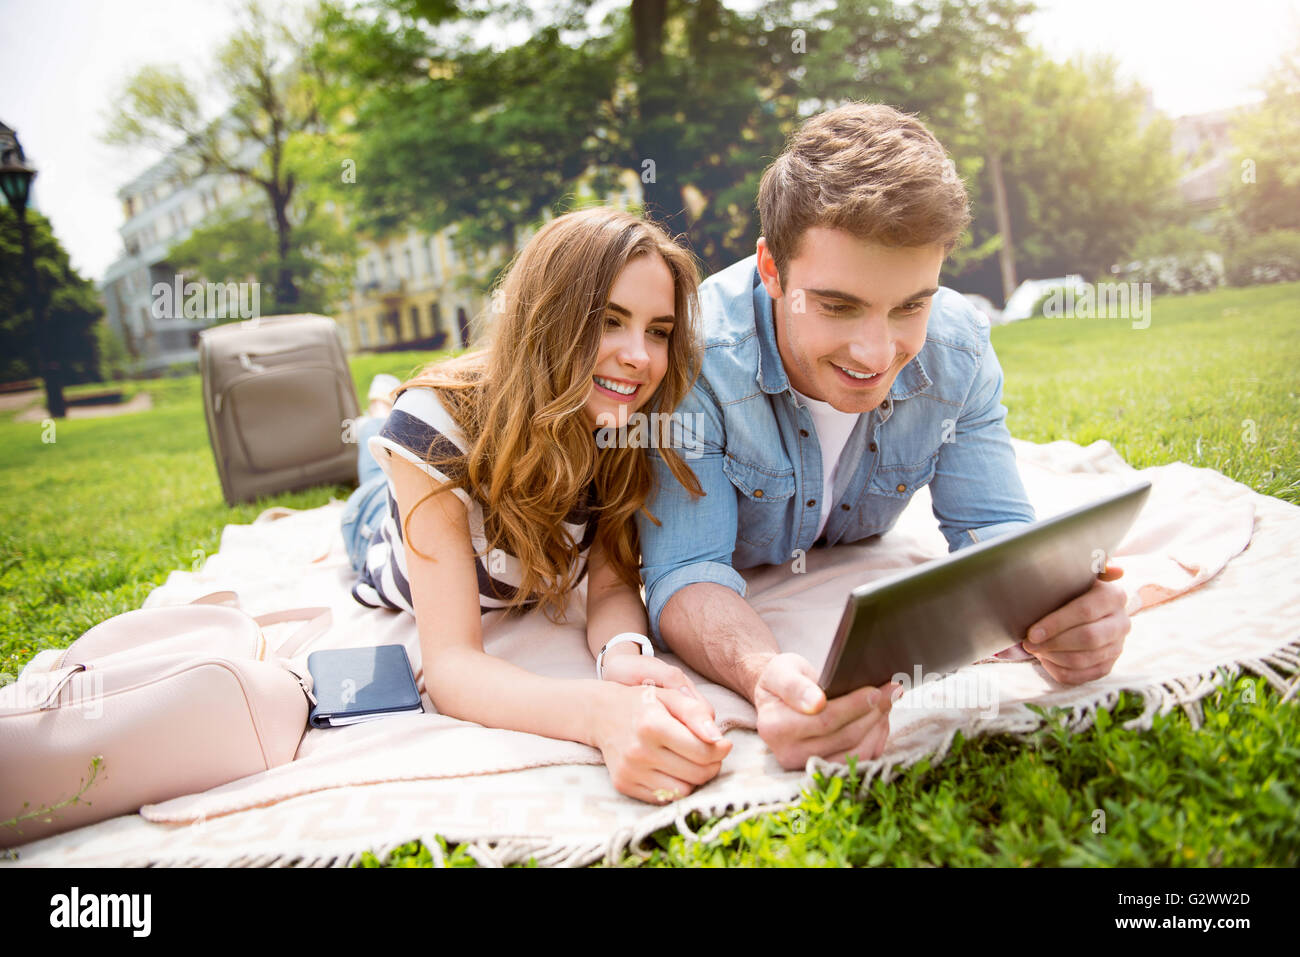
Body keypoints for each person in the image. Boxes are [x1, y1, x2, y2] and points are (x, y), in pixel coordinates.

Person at [636, 103, 1132, 773]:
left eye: (910, 305)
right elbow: (686, 569)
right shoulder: (695, 358)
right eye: (838, 306)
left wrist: (1062, 612)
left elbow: (993, 529)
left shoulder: (958, 347)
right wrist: (763, 675)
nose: (875, 352)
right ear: (772, 270)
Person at [339, 207, 732, 805]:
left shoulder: (623, 427)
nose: (640, 357)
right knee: (373, 473)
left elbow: (608, 588)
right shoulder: (434, 425)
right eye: (610, 321)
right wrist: (598, 714)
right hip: (382, 528)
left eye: (658, 330)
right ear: (549, 317)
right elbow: (451, 667)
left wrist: (623, 658)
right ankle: (378, 413)